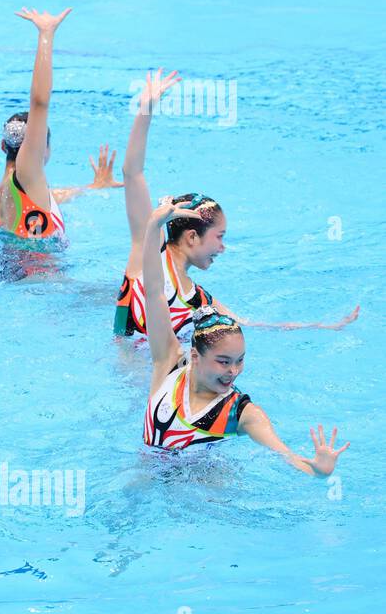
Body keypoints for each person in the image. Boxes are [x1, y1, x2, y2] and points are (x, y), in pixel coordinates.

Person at [116, 68, 359, 336]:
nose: (222, 248)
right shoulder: (148, 252)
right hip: (131, 376)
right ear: (193, 237)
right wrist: (145, 112)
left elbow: (248, 324)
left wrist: (324, 327)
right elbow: (132, 173)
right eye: (219, 237)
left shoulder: (200, 301)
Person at [141, 199, 348, 476]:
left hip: (198, 492)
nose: (233, 372)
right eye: (223, 361)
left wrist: (319, 472)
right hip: (144, 475)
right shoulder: (168, 363)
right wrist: (154, 224)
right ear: (195, 356)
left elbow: (285, 455)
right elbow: (154, 291)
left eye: (239, 361)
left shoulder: (241, 413)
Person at [0, 7, 122, 242]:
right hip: (40, 277)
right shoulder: (29, 172)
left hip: (12, 274)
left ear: (2, 145)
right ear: (42, 150)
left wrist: (93, 187)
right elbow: (39, 103)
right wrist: (46, 34)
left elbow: (54, 196)